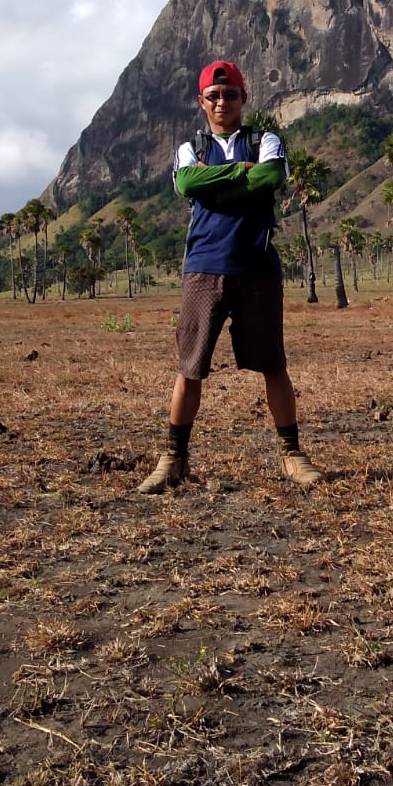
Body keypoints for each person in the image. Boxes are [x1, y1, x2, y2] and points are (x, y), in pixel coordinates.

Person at [141, 60, 324, 493]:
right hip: (204, 267)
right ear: (201, 101)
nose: (223, 101)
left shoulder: (266, 140)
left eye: (231, 94)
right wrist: (240, 173)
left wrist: (217, 182)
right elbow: (186, 184)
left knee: (273, 365)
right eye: (214, 95)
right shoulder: (191, 147)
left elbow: (271, 174)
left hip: (257, 268)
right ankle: (174, 458)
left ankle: (293, 455)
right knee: (190, 368)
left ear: (245, 97)